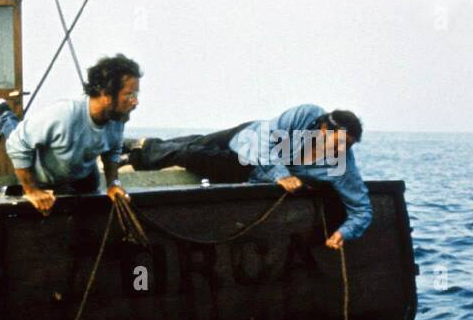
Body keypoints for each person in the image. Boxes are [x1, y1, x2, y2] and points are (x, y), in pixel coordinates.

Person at [127, 104, 371, 249]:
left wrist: (344, 232)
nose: (341, 150)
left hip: (245, 165)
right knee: (195, 143)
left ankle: (143, 149)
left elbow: (362, 210)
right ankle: (139, 149)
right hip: (248, 136)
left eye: (347, 146)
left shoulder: (341, 163)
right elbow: (266, 137)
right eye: (339, 142)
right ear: (324, 129)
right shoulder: (307, 115)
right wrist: (281, 174)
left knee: (191, 153)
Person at [0, 54, 141, 215]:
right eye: (129, 95)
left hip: (78, 171)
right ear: (106, 95)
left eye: (136, 95)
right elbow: (17, 143)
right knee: (16, 134)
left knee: (90, 190)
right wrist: (31, 190)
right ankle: (3, 114)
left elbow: (112, 151)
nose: (136, 102)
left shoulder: (117, 119)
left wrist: (113, 184)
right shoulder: (65, 114)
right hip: (43, 173)